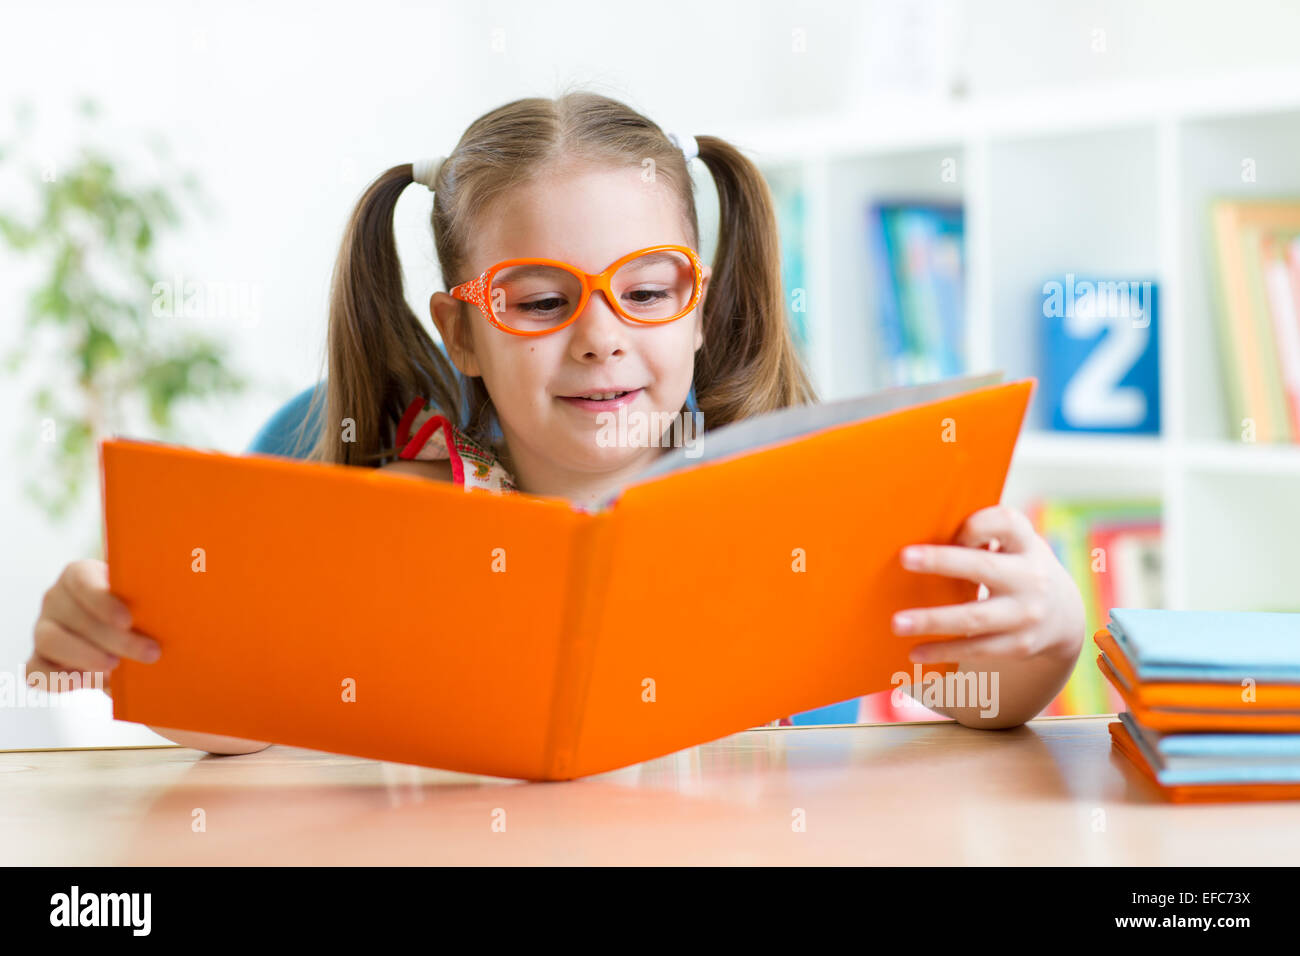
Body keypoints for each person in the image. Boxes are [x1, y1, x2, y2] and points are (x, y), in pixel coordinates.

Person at [27, 90, 1085, 755]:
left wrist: (1046, 637)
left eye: (647, 288)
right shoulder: (396, 516)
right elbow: (232, 721)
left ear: (698, 304)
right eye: (540, 300)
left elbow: (977, 696)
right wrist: (128, 640)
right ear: (463, 332)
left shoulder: (813, 501)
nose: (600, 337)